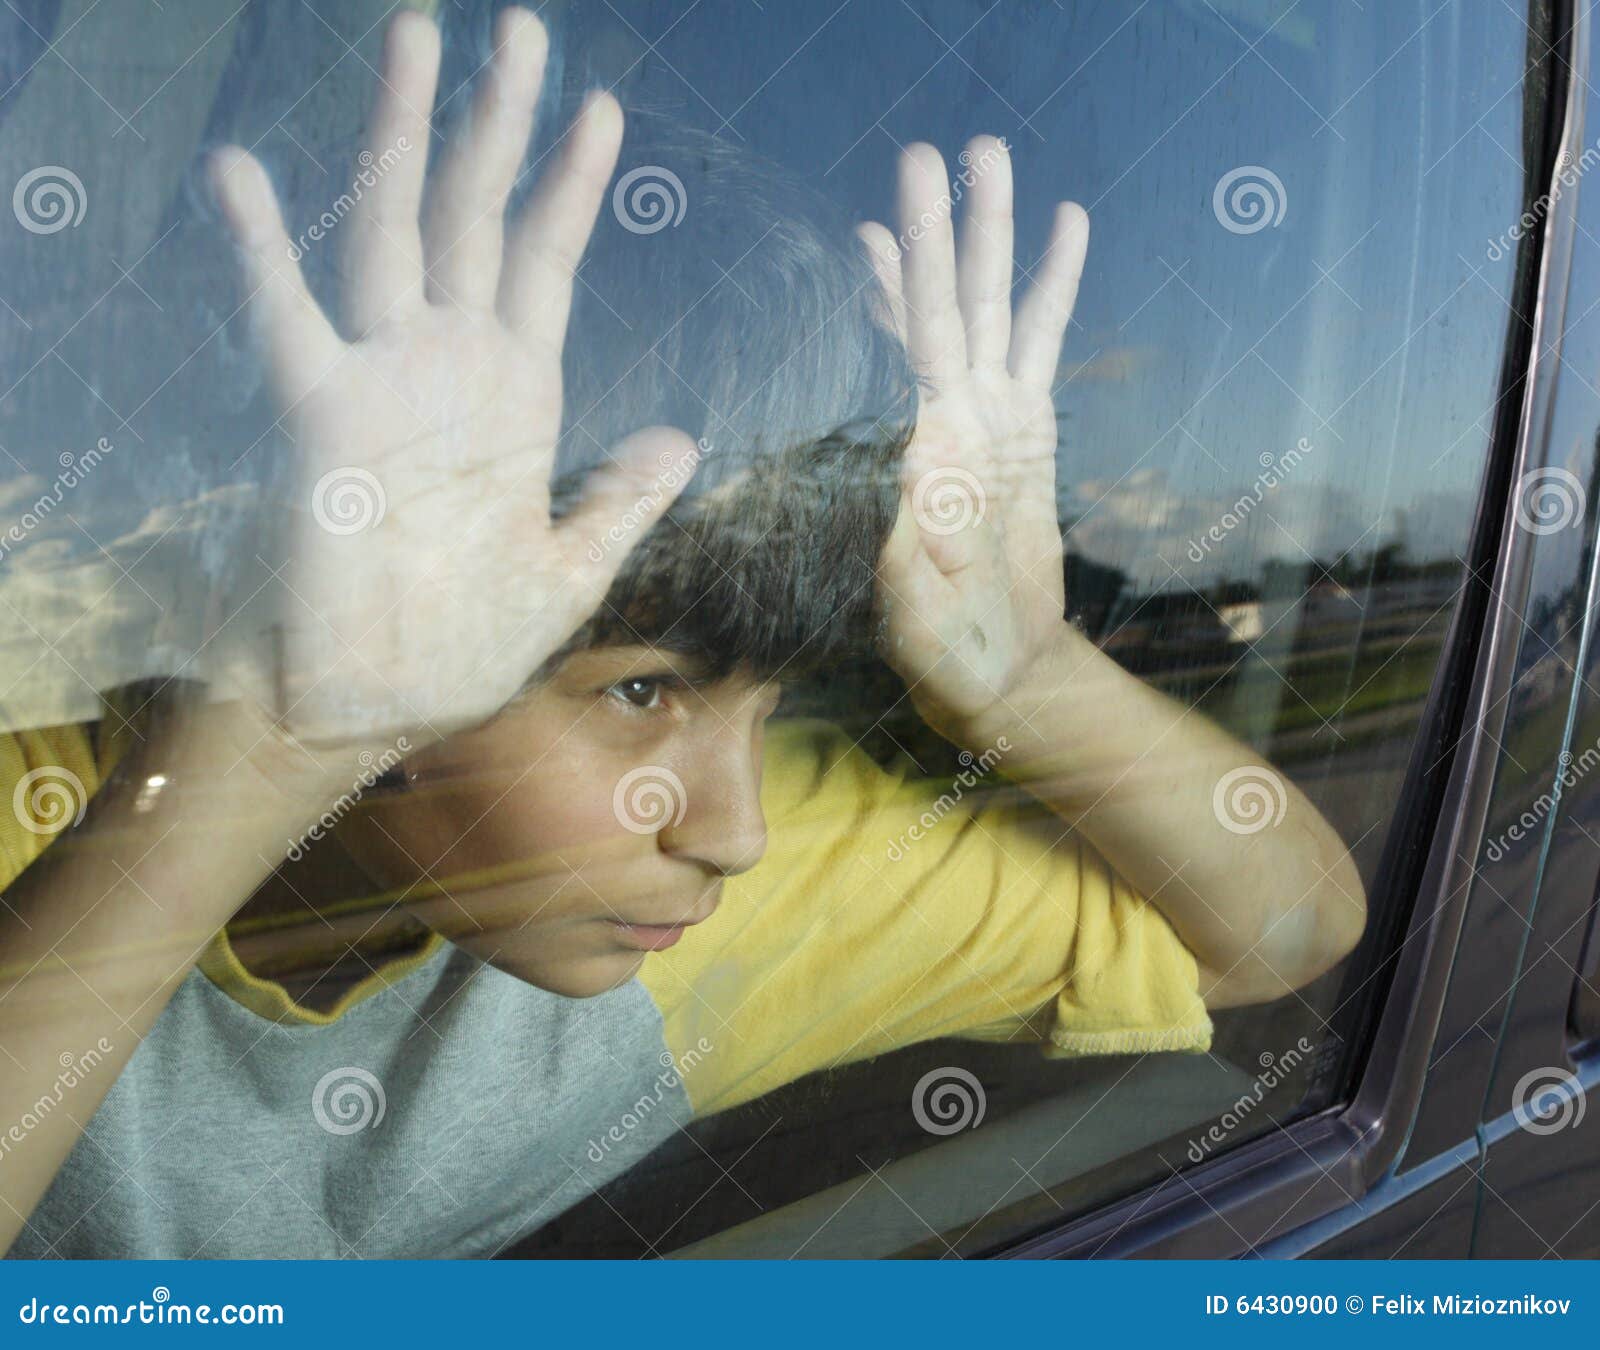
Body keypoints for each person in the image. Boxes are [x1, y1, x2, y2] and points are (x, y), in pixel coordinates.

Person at [0, 8, 1365, 1259]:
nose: (736, 827)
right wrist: (282, 738)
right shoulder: (40, 812)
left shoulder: (710, 910)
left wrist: (1033, 678)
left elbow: (1282, 928)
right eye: (644, 691)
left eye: (773, 700)